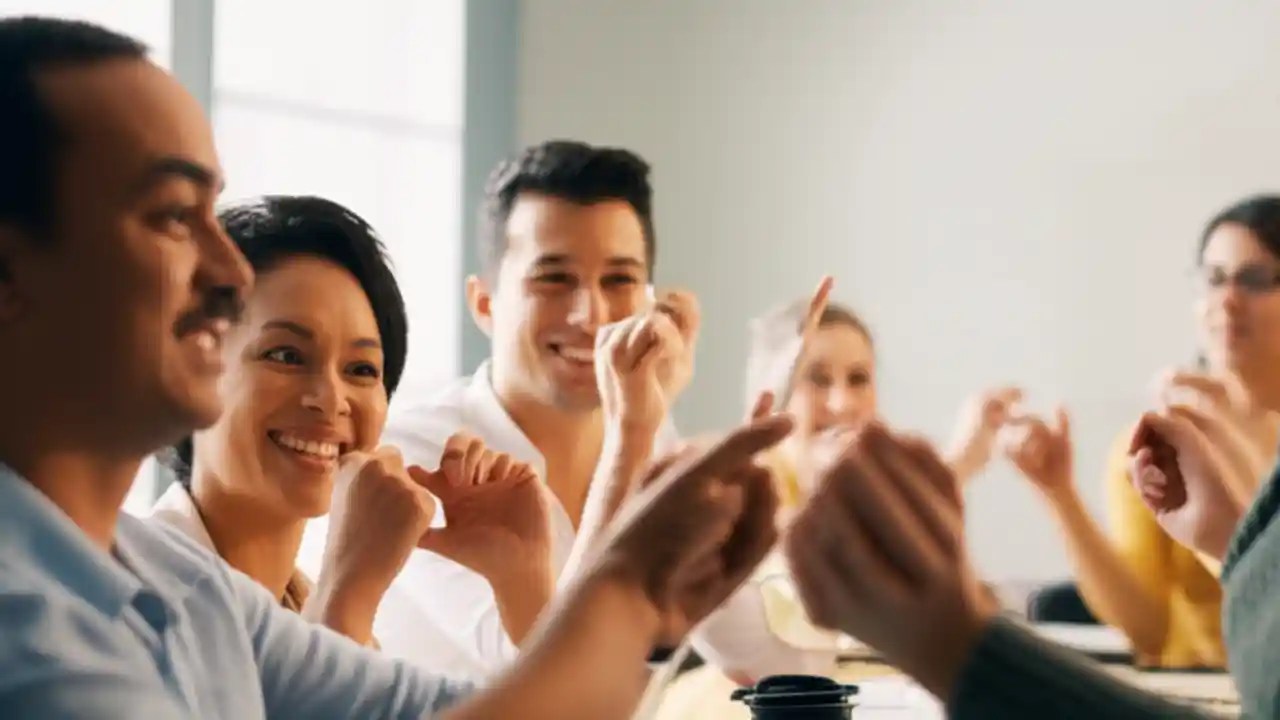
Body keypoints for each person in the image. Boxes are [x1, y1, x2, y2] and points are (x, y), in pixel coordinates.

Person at [0, 16, 792, 719]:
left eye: (364, 368)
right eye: (173, 215)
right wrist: (628, 575)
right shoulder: (29, 632)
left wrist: (625, 583)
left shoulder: (177, 579)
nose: (226, 272)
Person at [297, 139, 718, 677]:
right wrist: (635, 428)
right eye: (554, 279)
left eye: (620, 280)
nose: (592, 315)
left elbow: (723, 648)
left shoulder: (649, 427)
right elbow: (554, 667)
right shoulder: (419, 459)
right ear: (485, 303)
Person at [147, 195, 553, 647]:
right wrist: (349, 589)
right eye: (286, 355)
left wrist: (522, 586)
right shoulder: (130, 606)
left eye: (361, 369)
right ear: (189, 372)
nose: (331, 399)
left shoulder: (305, 611)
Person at [1001, 195, 1280, 668]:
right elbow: (1146, 629)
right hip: (1194, 689)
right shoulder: (1161, 439)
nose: (1226, 300)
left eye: (1253, 279)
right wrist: (1060, 495)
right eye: (1213, 278)